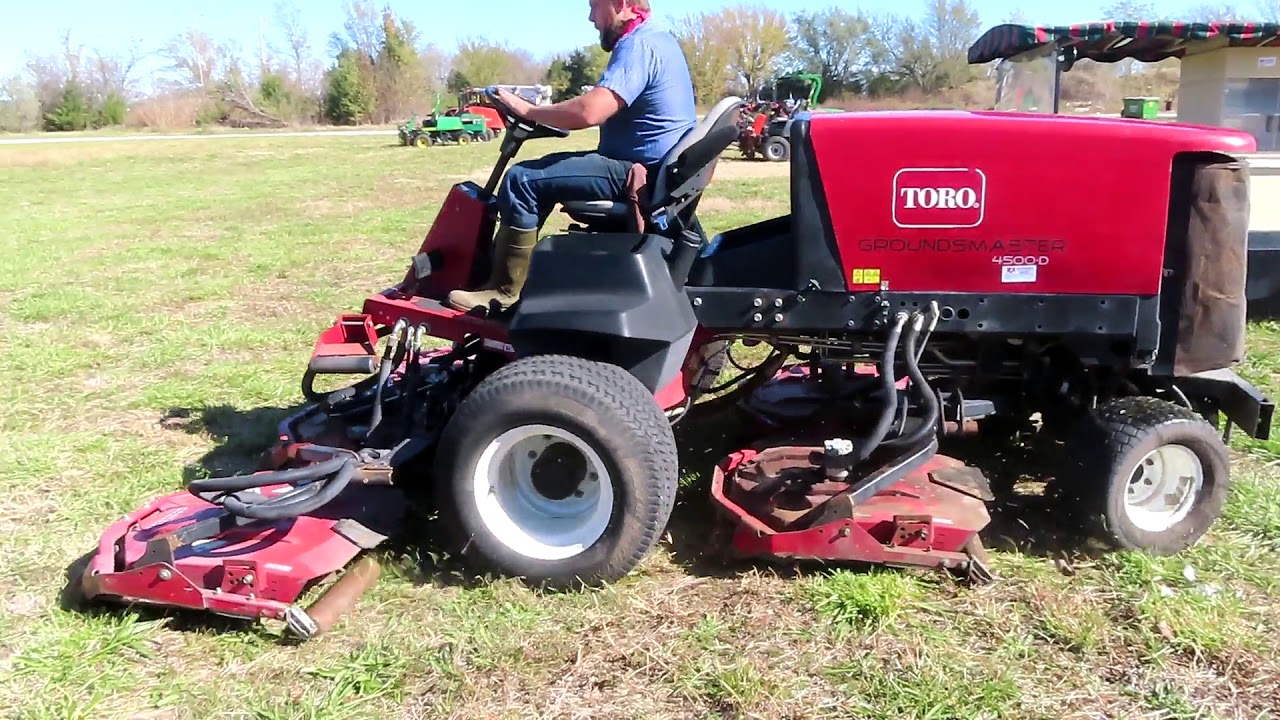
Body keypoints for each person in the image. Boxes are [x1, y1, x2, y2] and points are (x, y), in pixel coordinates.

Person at [447, 0, 698, 314]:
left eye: (594, 6)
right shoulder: (659, 38)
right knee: (532, 176)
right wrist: (542, 113)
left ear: (620, 4)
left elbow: (590, 110)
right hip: (656, 170)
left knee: (521, 181)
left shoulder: (639, 45)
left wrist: (528, 110)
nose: (591, 17)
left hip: (639, 173)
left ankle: (503, 292)